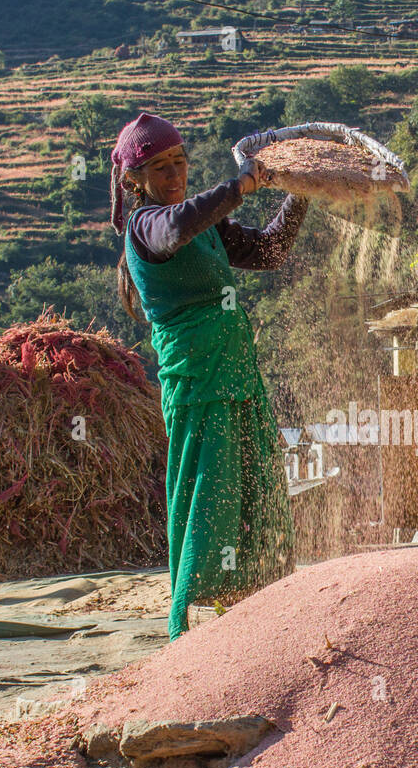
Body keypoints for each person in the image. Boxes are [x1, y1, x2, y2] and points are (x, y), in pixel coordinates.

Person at [110, 112, 308, 640]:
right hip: (199, 383)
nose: (174, 175)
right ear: (134, 180)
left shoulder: (207, 225)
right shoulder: (147, 226)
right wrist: (243, 183)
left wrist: (301, 189)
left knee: (256, 489)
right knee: (208, 495)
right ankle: (195, 623)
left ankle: (258, 607)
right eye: (158, 167)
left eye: (180, 162)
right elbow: (176, 228)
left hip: (238, 375)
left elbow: (268, 251)